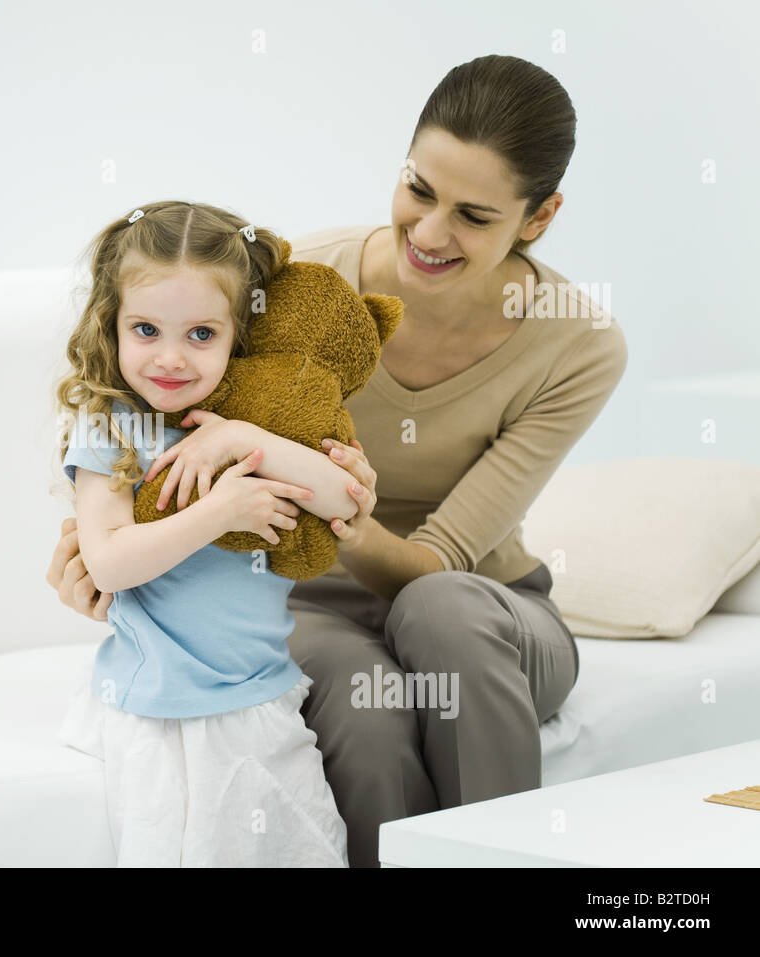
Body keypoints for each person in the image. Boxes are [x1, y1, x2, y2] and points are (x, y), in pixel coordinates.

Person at [47, 54, 628, 867]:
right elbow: (159, 413)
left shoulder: (578, 344)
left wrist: (301, 480)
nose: (429, 234)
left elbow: (438, 562)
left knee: (441, 610)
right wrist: (109, 544)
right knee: (363, 702)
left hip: (488, 611)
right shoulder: (300, 281)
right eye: (419, 190)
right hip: (306, 600)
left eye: (474, 215)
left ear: (539, 218)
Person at [53, 200, 366, 866]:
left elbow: (343, 497)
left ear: (235, 335)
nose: (171, 357)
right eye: (145, 329)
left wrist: (247, 439)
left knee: (304, 847)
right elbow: (107, 562)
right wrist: (219, 513)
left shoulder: (251, 421)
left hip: (260, 696)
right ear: (111, 327)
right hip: (158, 710)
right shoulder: (116, 429)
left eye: (201, 334)